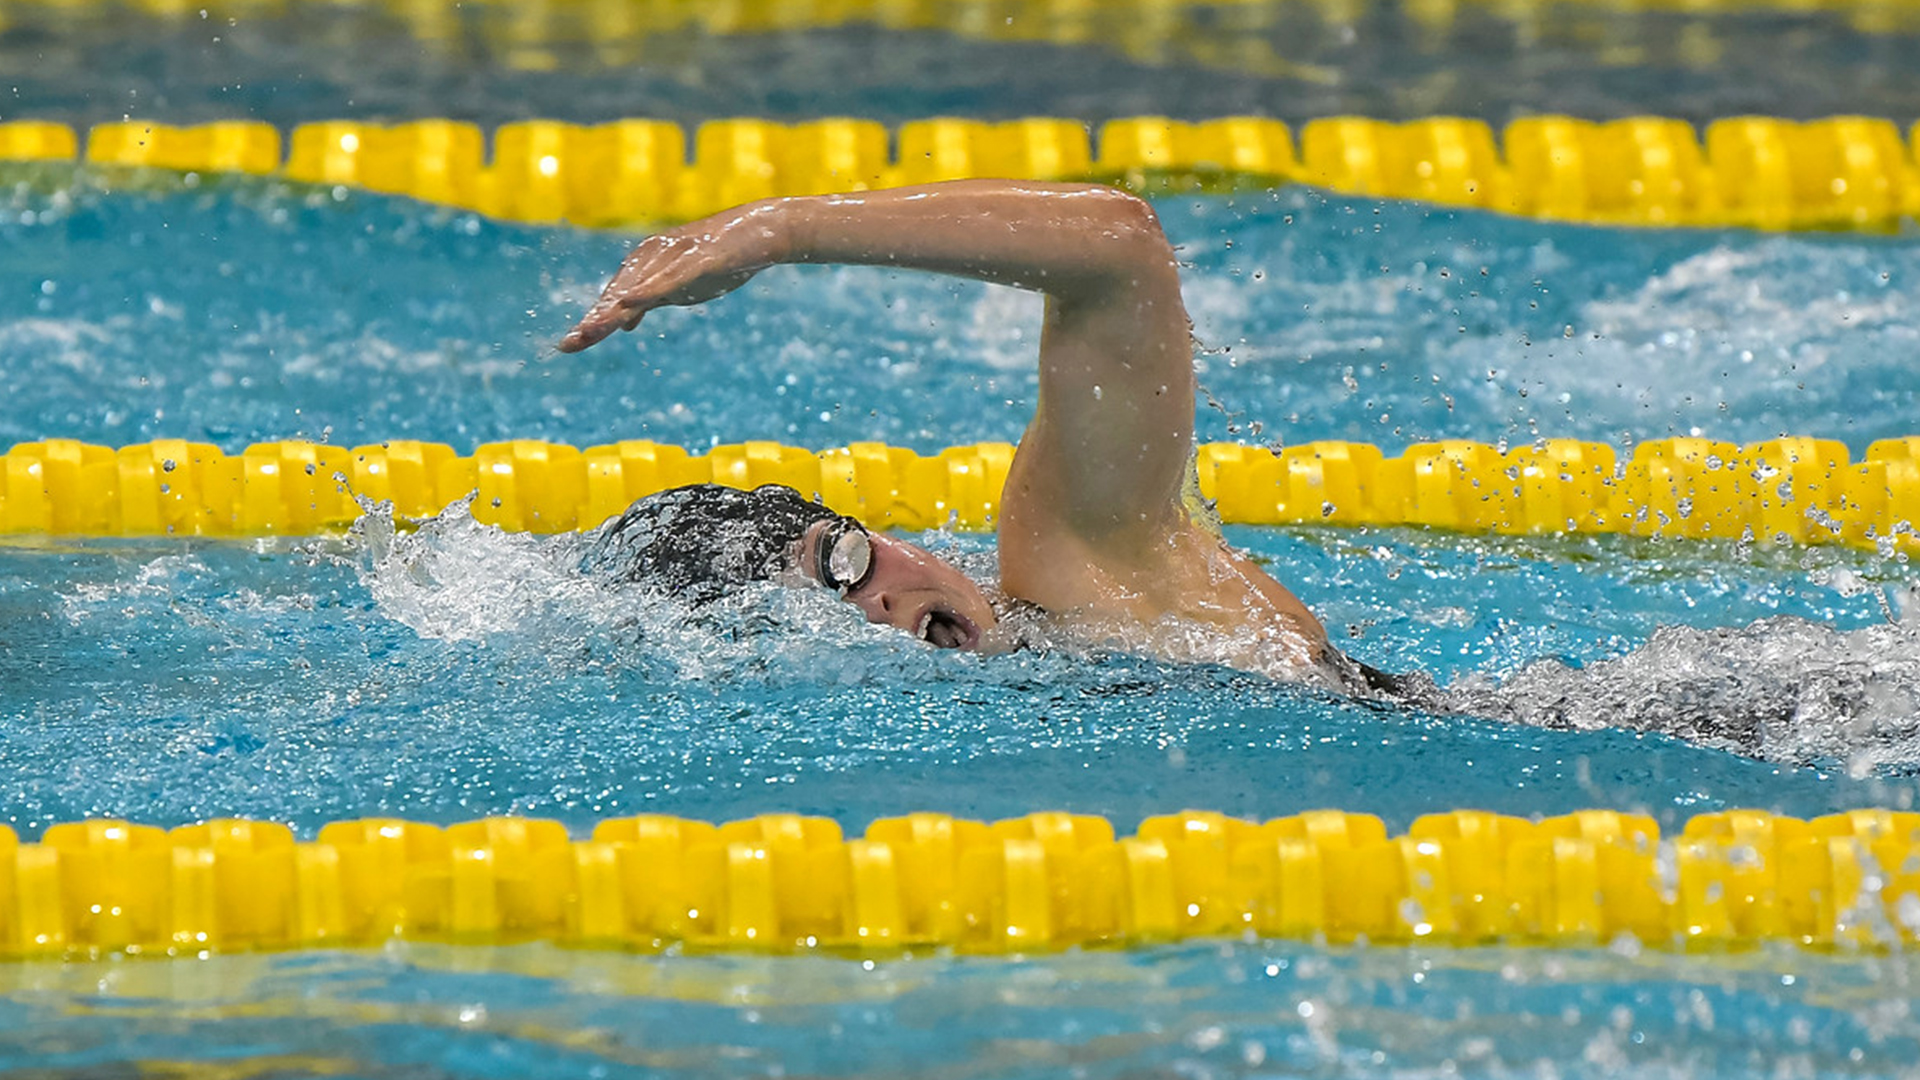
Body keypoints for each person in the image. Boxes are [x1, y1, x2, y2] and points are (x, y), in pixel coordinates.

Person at [560, 180, 1399, 693]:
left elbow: (1122, 250)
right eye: (818, 615)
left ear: (885, 536)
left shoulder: (1081, 563)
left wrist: (785, 231)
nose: (876, 606)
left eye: (843, 562)